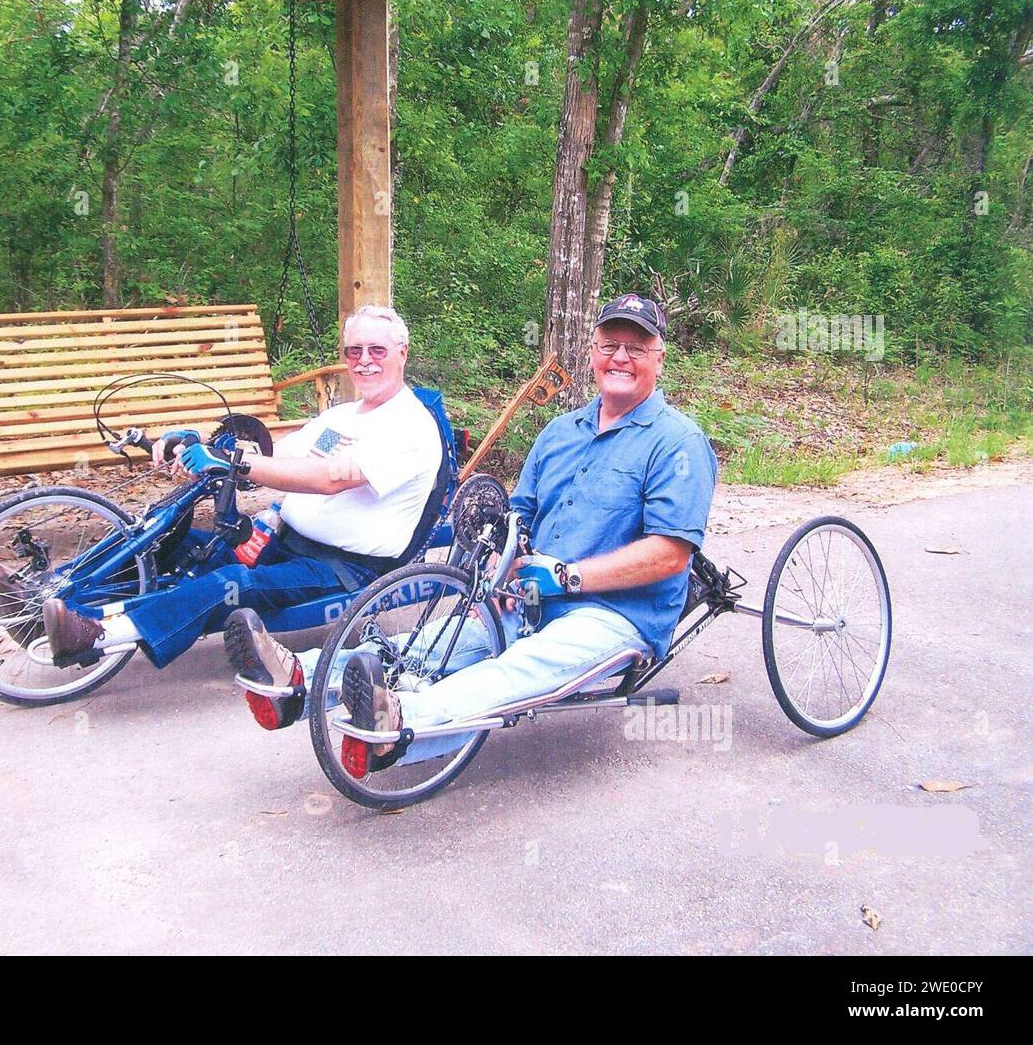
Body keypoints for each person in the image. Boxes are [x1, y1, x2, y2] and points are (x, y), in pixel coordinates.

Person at [227, 292, 718, 775]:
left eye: (637, 347)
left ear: (659, 357)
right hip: (529, 598)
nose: (621, 358)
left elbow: (670, 555)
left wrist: (568, 577)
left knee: (515, 669)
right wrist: (501, 568)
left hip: (614, 614)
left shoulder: (678, 443)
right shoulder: (560, 432)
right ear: (592, 352)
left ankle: (398, 724)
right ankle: (298, 679)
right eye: (610, 344)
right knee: (432, 644)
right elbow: (516, 516)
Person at [37, 306, 442, 700]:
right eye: (354, 351)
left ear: (402, 353)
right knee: (166, 541)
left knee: (230, 585)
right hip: (283, 542)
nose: (364, 361)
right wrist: (200, 445)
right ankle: (47, 602)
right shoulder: (343, 418)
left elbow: (332, 478)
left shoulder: (410, 426)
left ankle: (96, 634)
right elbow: (276, 457)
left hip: (340, 568)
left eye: (377, 351)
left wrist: (236, 463)